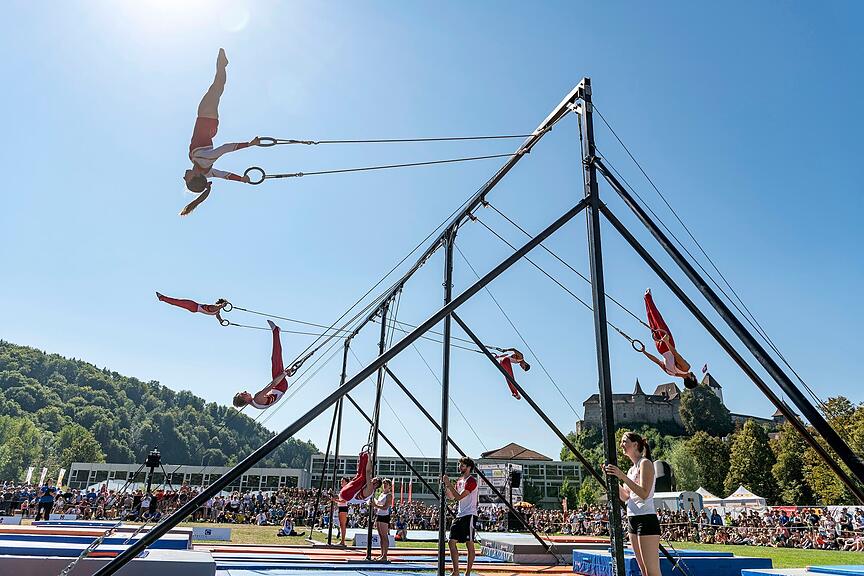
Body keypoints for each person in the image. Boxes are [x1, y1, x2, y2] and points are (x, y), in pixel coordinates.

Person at [181, 48, 260, 216]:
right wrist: (250, 144)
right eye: (186, 180)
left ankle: (222, 66)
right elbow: (225, 148)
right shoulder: (204, 161)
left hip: (208, 125)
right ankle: (222, 66)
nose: (183, 177)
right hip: (206, 119)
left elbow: (225, 176)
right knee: (216, 88)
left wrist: (243, 180)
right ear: (194, 177)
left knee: (216, 89)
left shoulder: (206, 171)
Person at [605, 431, 661, 576]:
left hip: (646, 518)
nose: (621, 445)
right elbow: (625, 497)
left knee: (652, 570)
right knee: (643, 569)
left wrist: (621, 475)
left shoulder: (645, 463)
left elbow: (644, 493)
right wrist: (611, 479)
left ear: (635, 444)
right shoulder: (631, 470)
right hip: (632, 519)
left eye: (625, 441)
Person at [642, 289, 698, 389]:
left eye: (695, 378)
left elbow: (675, 353)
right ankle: (646, 300)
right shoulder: (671, 373)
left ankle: (648, 297)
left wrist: (667, 342)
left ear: (691, 379)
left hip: (668, 345)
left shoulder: (686, 368)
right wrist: (644, 352)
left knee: (658, 320)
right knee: (653, 324)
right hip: (660, 349)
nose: (695, 376)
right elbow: (656, 361)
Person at [234, 320, 291, 409]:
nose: (245, 391)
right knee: (275, 359)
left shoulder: (255, 403)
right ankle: (276, 331)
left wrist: (283, 375)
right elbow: (273, 384)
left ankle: (276, 332)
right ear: (244, 400)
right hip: (279, 386)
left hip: (279, 387)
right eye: (243, 394)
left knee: (275, 359)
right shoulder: (257, 399)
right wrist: (284, 374)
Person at [442, 456, 479, 576]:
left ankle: (467, 572)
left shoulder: (471, 481)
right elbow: (452, 497)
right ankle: (456, 571)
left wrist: (449, 484)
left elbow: (459, 496)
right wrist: (447, 486)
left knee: (469, 543)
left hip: (469, 514)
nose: (460, 467)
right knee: (451, 542)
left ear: (469, 467)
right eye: (460, 465)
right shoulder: (460, 480)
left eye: (462, 465)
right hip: (460, 514)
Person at [156, 292, 231, 325]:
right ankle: (162, 298)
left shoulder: (217, 311)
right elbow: (218, 307)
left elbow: (218, 317)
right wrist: (223, 305)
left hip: (193, 307)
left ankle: (162, 298)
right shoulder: (215, 308)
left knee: (176, 302)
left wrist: (221, 321)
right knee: (176, 302)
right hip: (194, 306)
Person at [372, 479, 393, 562]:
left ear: (390, 486)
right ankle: (381, 554)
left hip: (384, 516)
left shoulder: (389, 495)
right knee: (380, 536)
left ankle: (385, 555)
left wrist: (376, 506)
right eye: (384, 483)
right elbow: (378, 504)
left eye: (386, 484)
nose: (384, 485)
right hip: (379, 515)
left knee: (384, 536)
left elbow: (385, 507)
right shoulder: (381, 494)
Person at [331, 478, 350, 546]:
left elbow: (344, 501)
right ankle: (342, 541)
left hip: (344, 508)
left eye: (343, 481)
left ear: (346, 482)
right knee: (341, 525)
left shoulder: (346, 490)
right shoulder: (342, 490)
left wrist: (335, 500)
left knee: (343, 525)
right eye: (341, 481)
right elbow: (341, 501)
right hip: (341, 507)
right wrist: (335, 500)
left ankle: (343, 541)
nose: (341, 482)